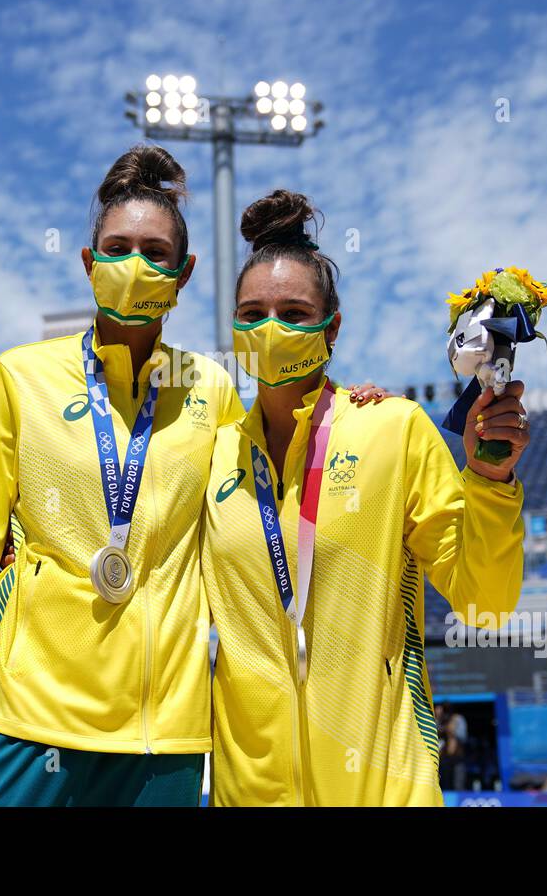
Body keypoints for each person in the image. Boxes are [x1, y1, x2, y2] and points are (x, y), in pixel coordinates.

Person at [0, 145, 243, 806]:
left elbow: (249, 531)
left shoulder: (211, 389)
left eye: (156, 252)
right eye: (117, 248)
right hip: (24, 718)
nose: (135, 264)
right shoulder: (20, 375)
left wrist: (350, 410)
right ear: (90, 266)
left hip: (163, 737)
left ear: (184, 275)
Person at [201, 190, 529, 806]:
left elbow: (487, 604)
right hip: (249, 795)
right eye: (253, 313)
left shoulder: (393, 428)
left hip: (383, 788)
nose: (271, 329)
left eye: (295, 313)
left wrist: (489, 483)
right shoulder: (210, 456)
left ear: (333, 327)